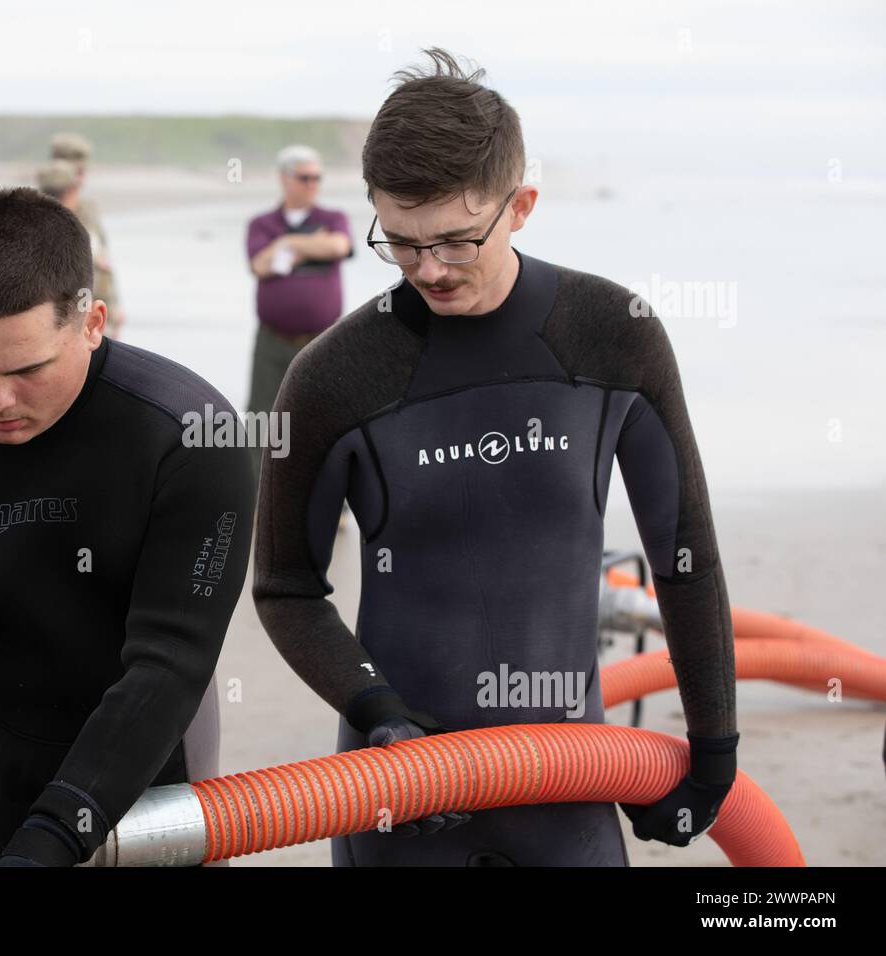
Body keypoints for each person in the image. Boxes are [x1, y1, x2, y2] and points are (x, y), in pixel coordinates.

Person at [253, 49, 739, 866]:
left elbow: (684, 558)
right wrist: (377, 710)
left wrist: (714, 751)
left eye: (455, 241)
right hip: (398, 792)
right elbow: (285, 588)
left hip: (566, 790)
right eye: (400, 245)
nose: (429, 271)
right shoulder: (334, 374)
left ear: (522, 205)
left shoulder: (612, 333)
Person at [0, 187, 253, 867]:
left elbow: (169, 663)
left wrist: (53, 840)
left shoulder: (190, 438)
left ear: (92, 322)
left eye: (27, 369)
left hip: (149, 789)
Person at [244, 145, 352, 482]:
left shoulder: (333, 219)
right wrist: (302, 244)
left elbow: (338, 246)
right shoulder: (262, 223)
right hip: (273, 339)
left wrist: (287, 247)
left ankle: (337, 502)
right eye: (304, 178)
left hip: (323, 337)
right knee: (263, 416)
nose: (312, 185)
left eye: (317, 178)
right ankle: (254, 493)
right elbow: (260, 265)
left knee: (329, 415)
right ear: (284, 179)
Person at [50, 132, 124, 338]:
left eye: (82, 171)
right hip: (69, 322)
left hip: (98, 312)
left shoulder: (88, 210)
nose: (81, 178)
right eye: (76, 171)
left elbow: (103, 259)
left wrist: (115, 307)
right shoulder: (44, 213)